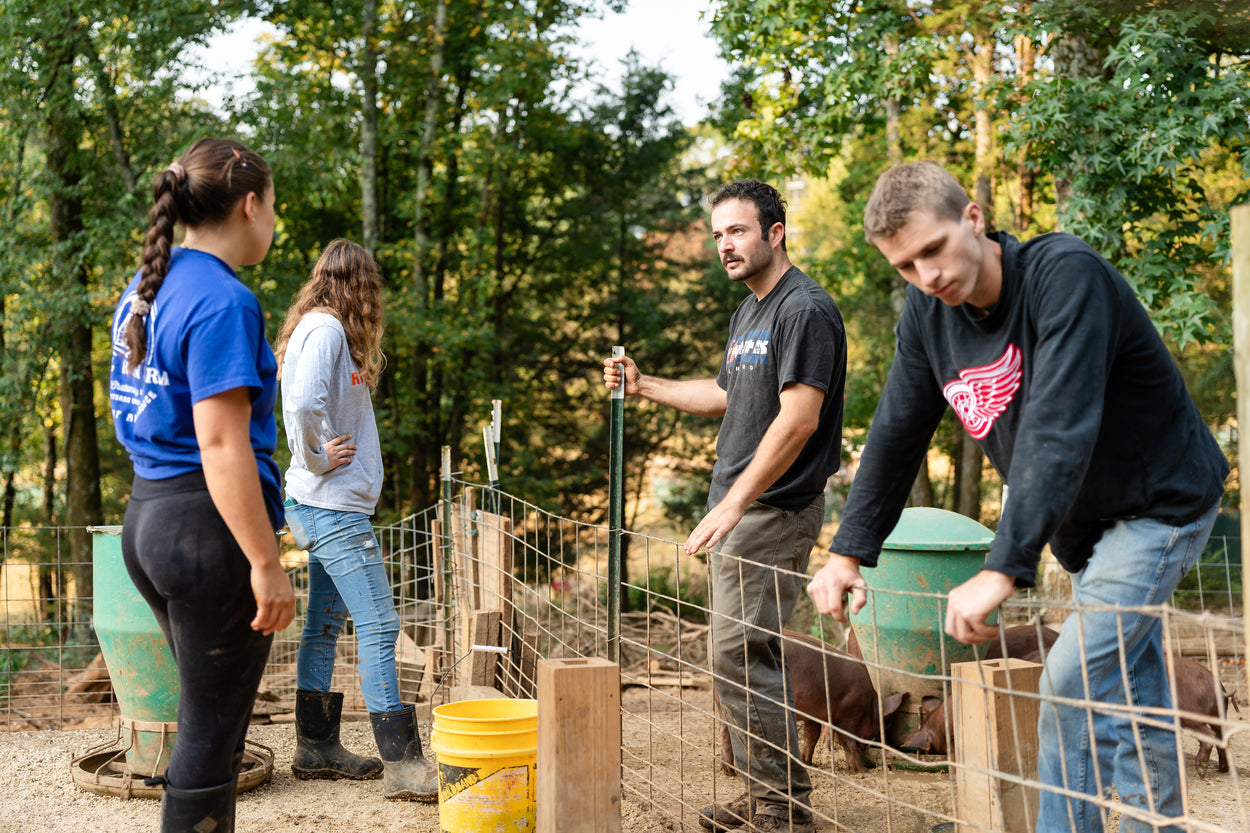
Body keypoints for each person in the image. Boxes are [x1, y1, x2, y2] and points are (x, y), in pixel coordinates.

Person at [807, 161, 1228, 833]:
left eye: (934, 249)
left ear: (973, 218)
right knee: (1134, 689)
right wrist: (849, 550)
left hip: (1162, 505)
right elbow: (895, 431)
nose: (927, 275)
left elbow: (1059, 430)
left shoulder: (1064, 277)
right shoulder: (928, 316)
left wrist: (1001, 569)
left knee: (1067, 680)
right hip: (1086, 529)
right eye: (906, 266)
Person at [604, 179, 846, 833]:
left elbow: (798, 420)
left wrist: (735, 502)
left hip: (773, 509)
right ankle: (772, 795)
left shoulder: (805, 310)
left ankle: (782, 809)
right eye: (717, 235)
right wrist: (645, 383)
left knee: (742, 654)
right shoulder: (751, 312)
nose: (724, 245)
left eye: (737, 230)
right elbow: (725, 396)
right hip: (740, 510)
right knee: (738, 656)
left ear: (776, 231)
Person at [108, 137, 297, 833]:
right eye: (272, 206)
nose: (271, 221)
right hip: (204, 535)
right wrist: (265, 562)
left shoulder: (148, 284)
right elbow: (221, 446)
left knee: (202, 718)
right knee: (211, 735)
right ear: (250, 205)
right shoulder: (224, 301)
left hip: (148, 518)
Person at [274, 238, 438, 801]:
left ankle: (315, 748)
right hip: (333, 510)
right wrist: (318, 457)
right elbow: (299, 406)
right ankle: (404, 764)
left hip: (323, 506)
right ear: (360, 285)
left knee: (323, 624)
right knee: (379, 625)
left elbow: (305, 402)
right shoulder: (326, 331)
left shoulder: (316, 328)